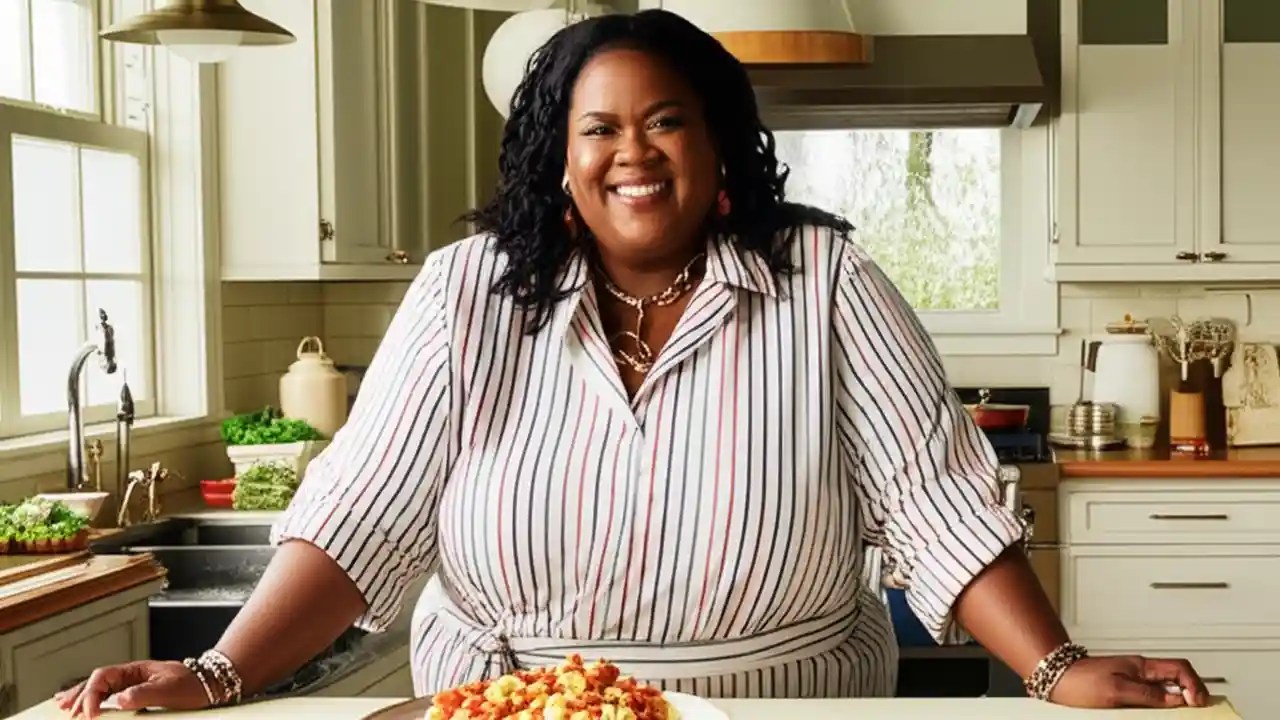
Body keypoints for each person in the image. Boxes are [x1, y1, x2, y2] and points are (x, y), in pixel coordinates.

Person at [58, 9, 1208, 719]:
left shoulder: (822, 281)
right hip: (508, 710)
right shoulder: (465, 293)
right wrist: (215, 676)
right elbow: (363, 513)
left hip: (781, 712)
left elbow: (936, 501)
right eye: (597, 128)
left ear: (716, 148)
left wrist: (1055, 669)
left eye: (664, 121)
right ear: (557, 161)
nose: (630, 153)